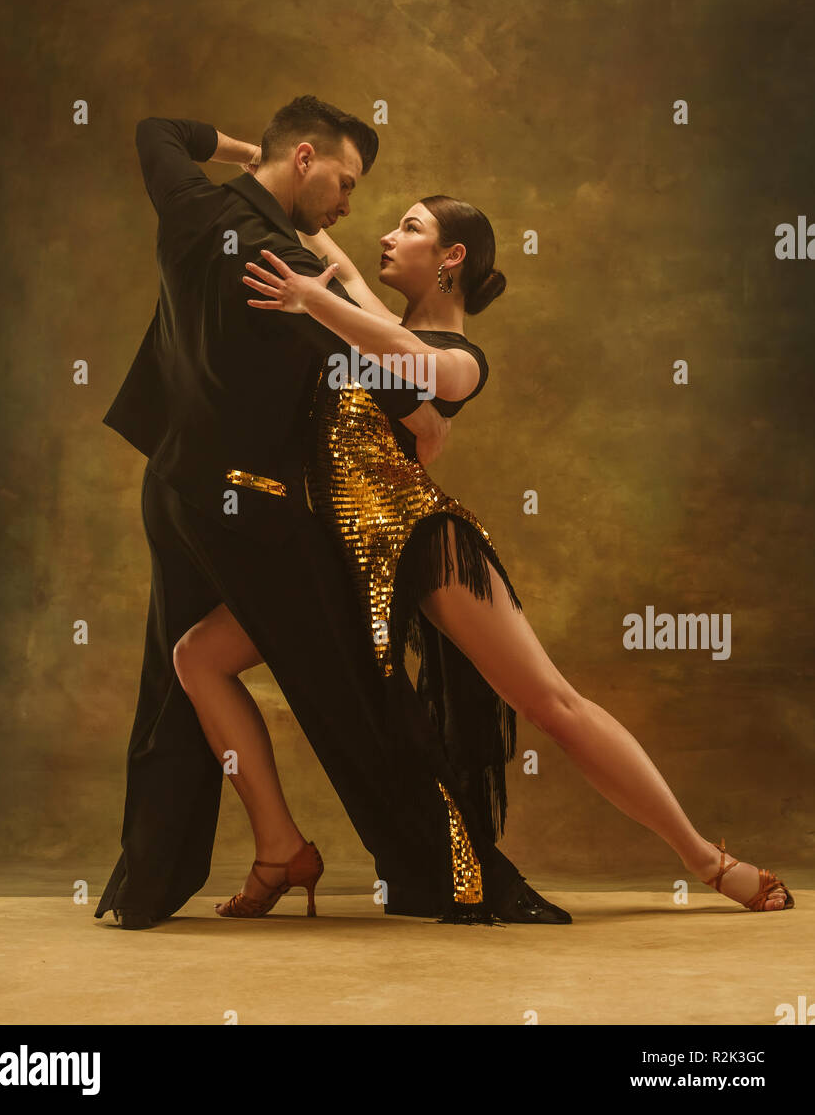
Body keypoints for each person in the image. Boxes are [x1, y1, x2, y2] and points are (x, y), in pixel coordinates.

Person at [230, 190, 794, 916]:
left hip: (425, 542)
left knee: (553, 704)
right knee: (198, 654)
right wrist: (259, 169)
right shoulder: (374, 324)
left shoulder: (462, 359)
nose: (386, 235)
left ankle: (707, 860)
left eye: (410, 228)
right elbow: (333, 261)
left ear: (451, 258)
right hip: (349, 557)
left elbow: (406, 355)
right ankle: (285, 848)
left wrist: (314, 300)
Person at [94, 97, 568, 930]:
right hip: (252, 507)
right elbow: (402, 395)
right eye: (344, 183)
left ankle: (189, 870)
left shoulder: (194, 205)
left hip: (169, 483)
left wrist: (247, 152)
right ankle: (439, 867)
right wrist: (420, 404)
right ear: (305, 159)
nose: (350, 205)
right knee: (352, 689)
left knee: (182, 671)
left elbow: (156, 132)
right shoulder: (287, 274)